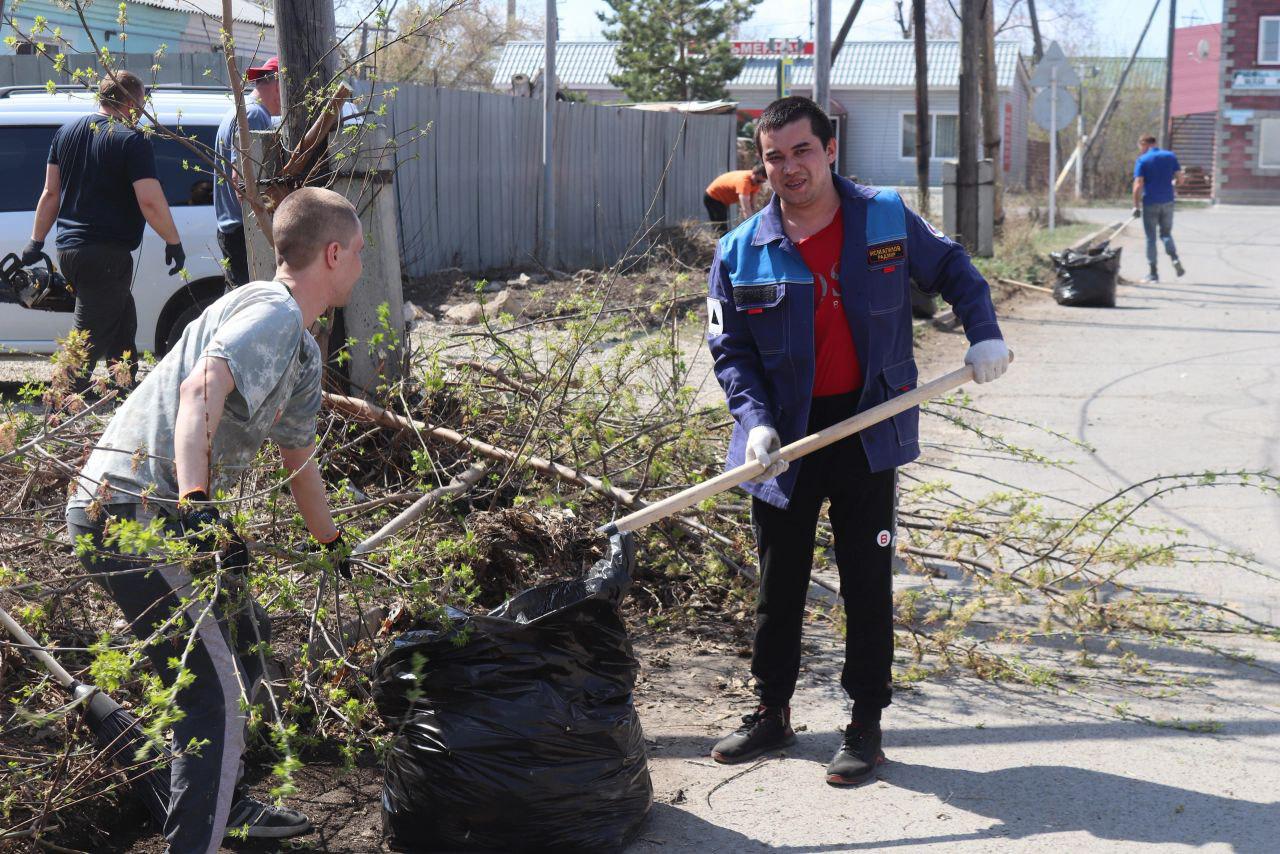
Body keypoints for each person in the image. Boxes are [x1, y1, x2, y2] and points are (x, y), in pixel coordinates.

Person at [704, 97, 1009, 786]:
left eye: (801, 151)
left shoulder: (884, 218)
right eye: (774, 156)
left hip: (869, 431)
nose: (788, 168)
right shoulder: (739, 251)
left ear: (830, 149)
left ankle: (865, 725)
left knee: (866, 580)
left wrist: (982, 331)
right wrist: (755, 423)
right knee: (778, 585)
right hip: (781, 441)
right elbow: (731, 353)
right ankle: (771, 713)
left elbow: (956, 270)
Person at [65, 187, 365, 851]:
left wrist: (333, 542)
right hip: (132, 506)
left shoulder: (301, 351)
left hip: (143, 505)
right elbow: (203, 389)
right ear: (334, 253)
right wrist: (197, 501)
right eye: (359, 254)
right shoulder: (274, 312)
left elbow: (298, 457)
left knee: (246, 626)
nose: (362, 267)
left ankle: (226, 800)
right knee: (215, 694)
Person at [22, 70, 185, 391]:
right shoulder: (130, 139)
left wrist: (36, 241)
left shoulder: (65, 133)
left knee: (122, 323)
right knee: (86, 340)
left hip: (69, 249)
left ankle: (126, 394)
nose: (142, 112)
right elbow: (150, 201)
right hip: (104, 255)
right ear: (128, 101)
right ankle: (59, 409)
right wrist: (173, 240)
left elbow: (50, 194)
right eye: (140, 104)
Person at [214, 56, 282, 289]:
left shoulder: (240, 109)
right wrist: (263, 218)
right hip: (244, 230)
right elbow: (241, 179)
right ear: (277, 86)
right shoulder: (255, 115)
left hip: (232, 228)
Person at [1132, 134, 1184, 283]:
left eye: (1141, 147)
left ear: (1144, 144)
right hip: (1168, 201)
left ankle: (1153, 273)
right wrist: (1174, 183)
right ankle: (1174, 258)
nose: (1140, 150)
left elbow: (1138, 185)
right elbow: (1180, 178)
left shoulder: (1142, 160)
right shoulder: (1170, 156)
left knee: (1151, 238)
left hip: (1150, 202)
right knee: (1166, 234)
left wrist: (1136, 206)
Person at [704, 164, 768, 235]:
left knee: (722, 224)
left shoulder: (755, 182)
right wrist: (753, 226)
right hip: (713, 197)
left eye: (762, 182)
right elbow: (746, 208)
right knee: (721, 226)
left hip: (722, 200)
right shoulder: (744, 182)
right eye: (758, 181)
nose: (759, 184)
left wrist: (756, 219)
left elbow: (753, 205)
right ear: (753, 174)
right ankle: (719, 243)